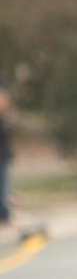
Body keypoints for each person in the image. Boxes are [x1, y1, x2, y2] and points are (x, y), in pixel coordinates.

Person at [0, 86, 13, 226]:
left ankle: (5, 215)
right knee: (2, 189)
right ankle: (4, 215)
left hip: (4, 157)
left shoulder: (4, 118)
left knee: (4, 189)